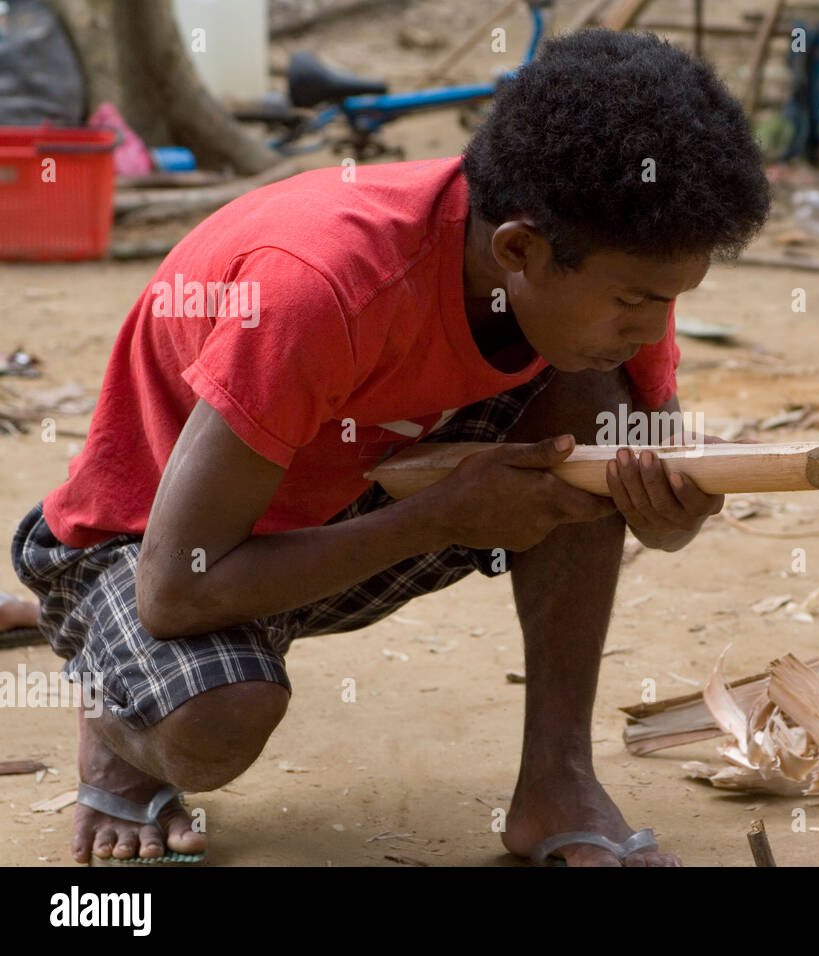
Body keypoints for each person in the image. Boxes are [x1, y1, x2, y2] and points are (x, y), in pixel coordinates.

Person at [11, 28, 770, 866]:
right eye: (633, 300)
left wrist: (672, 506)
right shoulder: (320, 286)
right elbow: (174, 593)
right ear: (520, 249)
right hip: (154, 546)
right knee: (216, 723)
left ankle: (556, 780)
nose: (652, 328)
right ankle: (115, 721)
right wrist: (440, 517)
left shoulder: (611, 308)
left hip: (346, 506)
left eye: (670, 300)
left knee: (595, 405)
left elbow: (656, 522)